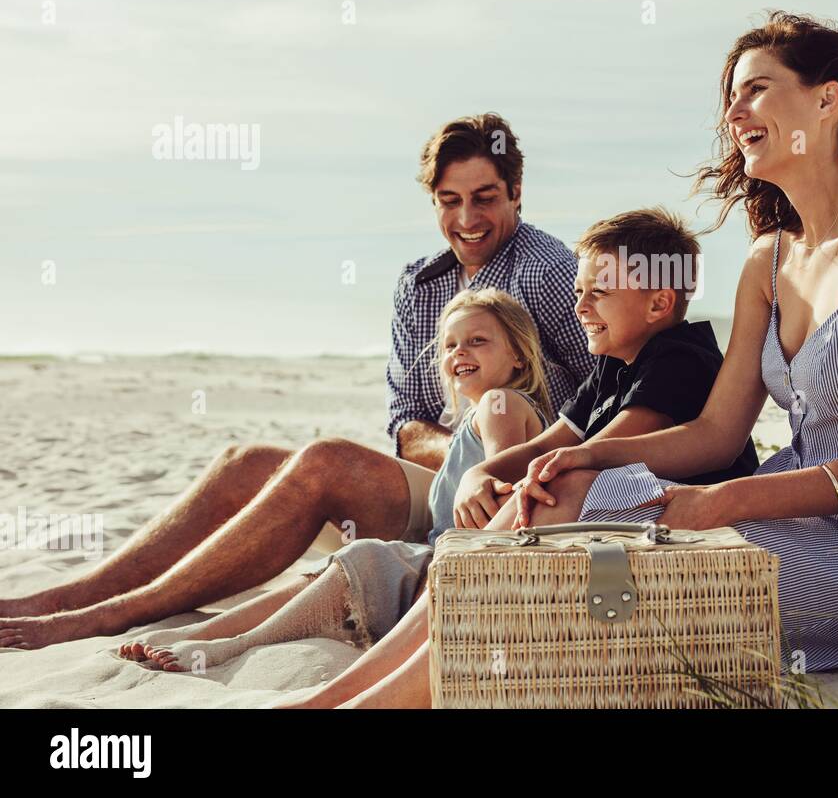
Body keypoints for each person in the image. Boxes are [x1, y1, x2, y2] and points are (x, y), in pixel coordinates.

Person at [276, 10, 838, 706]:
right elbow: (716, 432)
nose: (734, 112)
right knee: (556, 492)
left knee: (582, 561)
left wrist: (720, 502)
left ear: (826, 99)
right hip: (791, 511)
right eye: (731, 96)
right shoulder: (768, 260)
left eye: (756, 89)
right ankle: (342, 696)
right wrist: (586, 457)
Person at [0, 113, 594, 650]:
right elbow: (405, 421)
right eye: (449, 200)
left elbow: (602, 400)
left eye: (485, 197)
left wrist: (495, 453)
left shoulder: (547, 272)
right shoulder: (418, 284)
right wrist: (464, 445)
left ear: (516, 192)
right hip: (447, 473)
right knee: (245, 461)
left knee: (325, 460)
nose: (467, 219)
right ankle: (70, 596)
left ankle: (118, 614)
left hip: (516, 491)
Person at [117, 208, 758, 681]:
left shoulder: (678, 357)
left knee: (386, 566)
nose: (581, 304)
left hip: (654, 554)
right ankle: (219, 639)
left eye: (599, 291)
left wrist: (510, 478)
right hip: (572, 537)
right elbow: (557, 440)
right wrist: (485, 474)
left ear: (658, 301)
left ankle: (277, 660)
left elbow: (605, 449)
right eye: (580, 289)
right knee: (364, 562)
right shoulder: (610, 367)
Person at [118, 289, 552, 671]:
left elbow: (504, 474)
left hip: (458, 568)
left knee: (362, 557)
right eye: (451, 344)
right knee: (323, 572)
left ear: (517, 354)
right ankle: (211, 632)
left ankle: (232, 643)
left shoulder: (500, 404)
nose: (460, 353)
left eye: (478, 341)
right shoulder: (480, 414)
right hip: (442, 558)